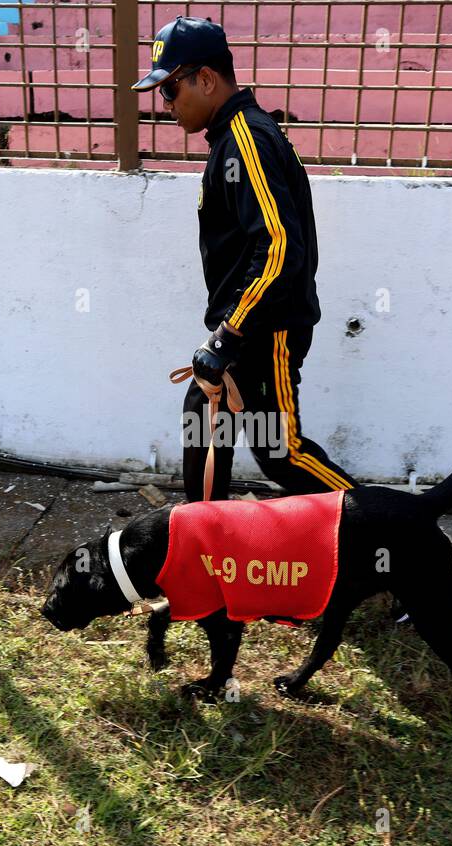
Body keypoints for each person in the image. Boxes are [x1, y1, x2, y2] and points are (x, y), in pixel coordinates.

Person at [133, 16, 357, 503]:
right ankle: (203, 541)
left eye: (169, 90)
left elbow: (278, 245)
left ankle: (392, 525)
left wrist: (230, 332)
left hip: (264, 329)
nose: (165, 105)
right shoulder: (234, 138)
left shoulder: (246, 139)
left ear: (206, 79)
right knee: (204, 414)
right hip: (246, 327)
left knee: (282, 452)